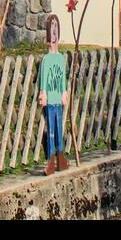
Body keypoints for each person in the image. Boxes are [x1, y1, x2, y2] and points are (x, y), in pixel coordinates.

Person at [38, 13, 69, 175]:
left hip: (59, 99)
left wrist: (64, 92)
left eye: (57, 29)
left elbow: (63, 78)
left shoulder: (60, 58)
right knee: (50, 130)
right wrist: (43, 93)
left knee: (59, 128)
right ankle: (50, 159)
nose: (55, 34)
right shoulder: (47, 59)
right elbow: (43, 79)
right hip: (50, 101)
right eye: (52, 30)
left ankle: (61, 157)